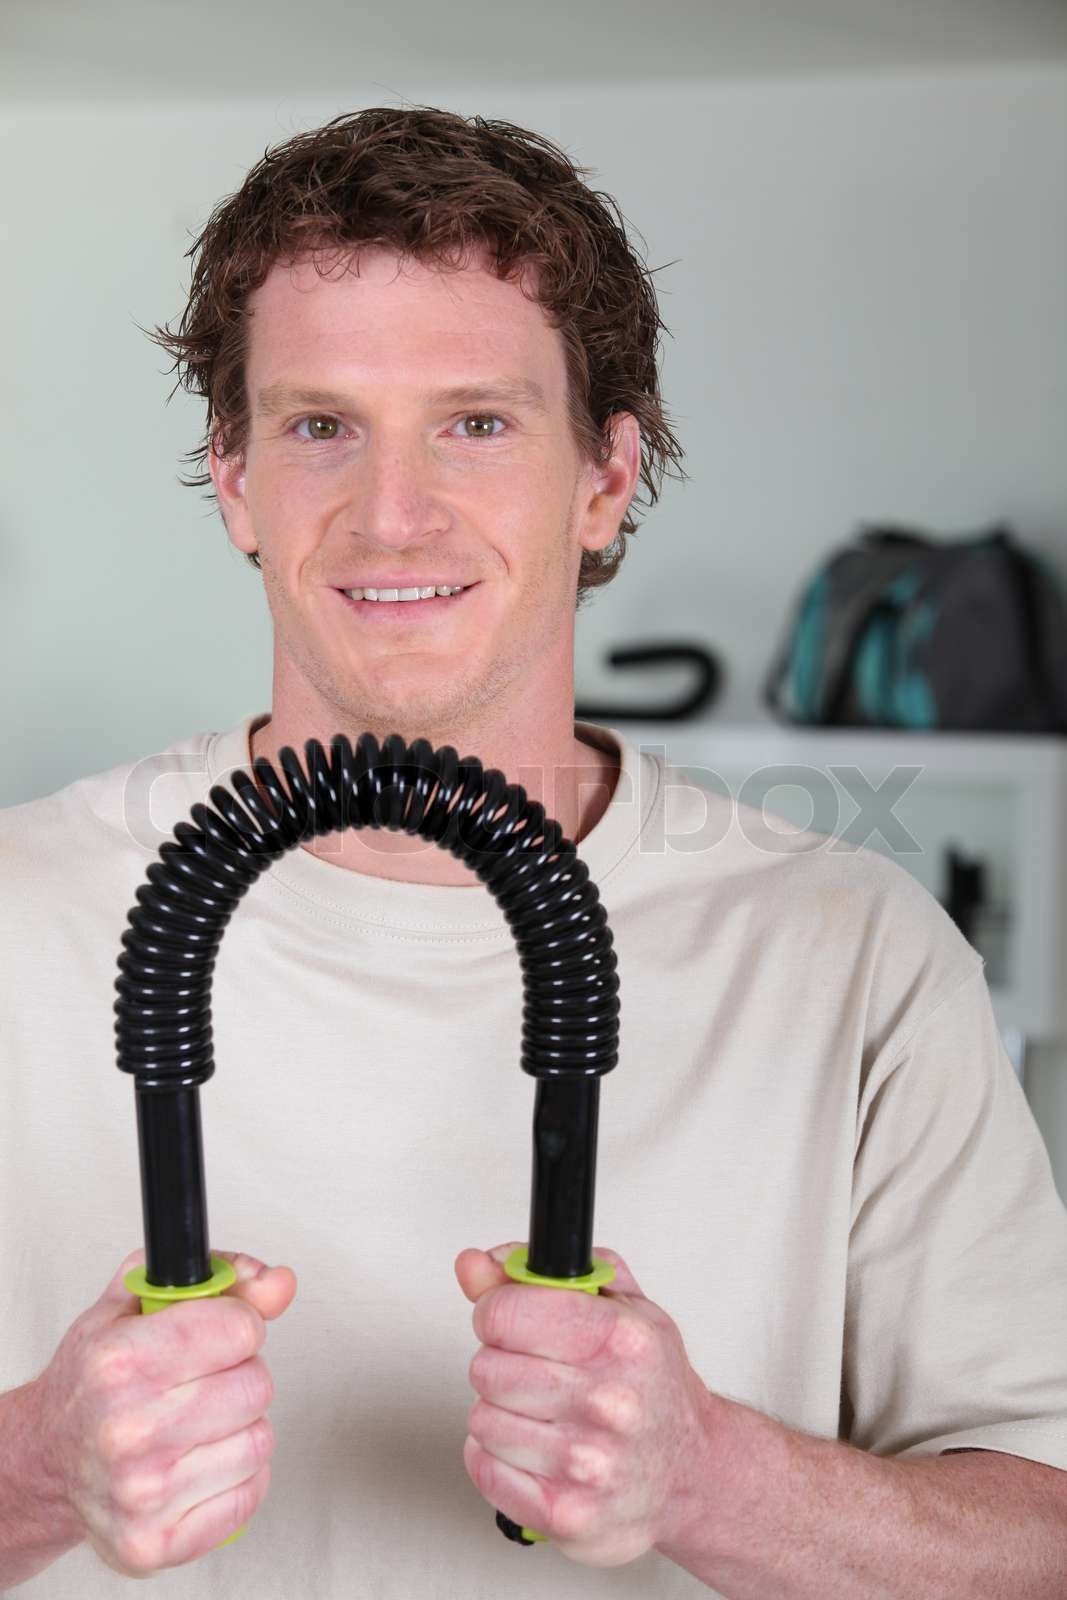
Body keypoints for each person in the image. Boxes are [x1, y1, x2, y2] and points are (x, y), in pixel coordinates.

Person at [2, 105, 1067, 1600]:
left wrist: (716, 1480)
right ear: (234, 477)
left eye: (477, 422)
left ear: (607, 476)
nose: (391, 514)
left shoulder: (854, 954)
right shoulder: (20, 918)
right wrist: (34, 1469)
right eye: (321, 426)